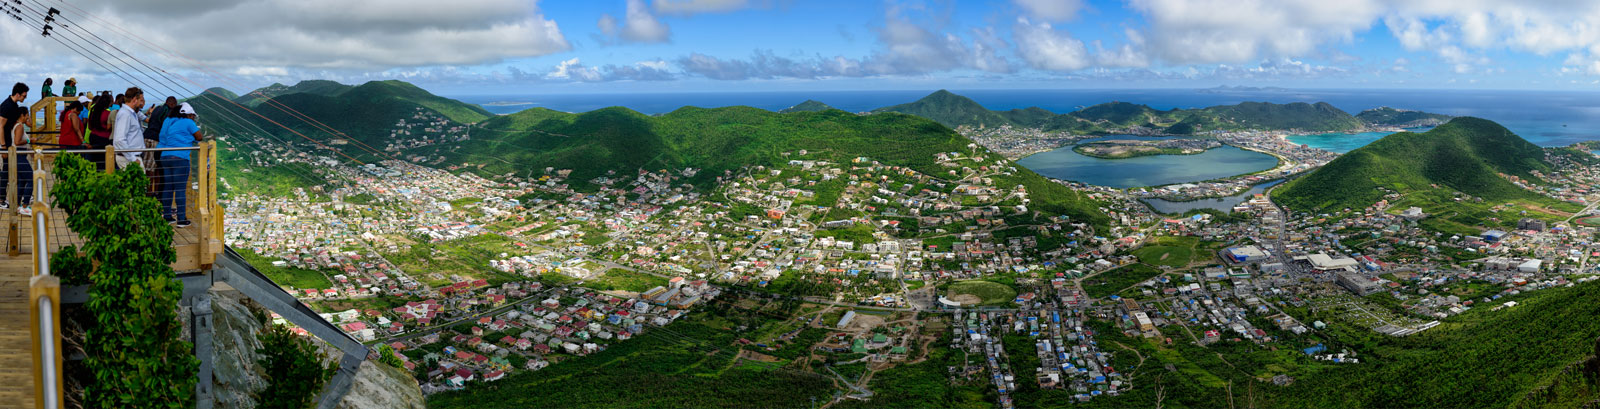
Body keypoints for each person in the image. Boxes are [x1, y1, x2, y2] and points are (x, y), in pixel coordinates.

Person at [157, 103, 202, 226]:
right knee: (180, 189)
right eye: (193, 115)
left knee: (168, 187)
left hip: (165, 157)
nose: (193, 118)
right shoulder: (189, 122)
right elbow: (199, 137)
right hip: (180, 158)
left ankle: (167, 216)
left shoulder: (173, 123)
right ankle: (181, 219)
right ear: (189, 114)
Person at [0, 83, 25, 211]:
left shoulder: (14, 106)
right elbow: (0, 126)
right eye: (24, 96)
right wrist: (3, 147)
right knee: (6, 170)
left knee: (12, 168)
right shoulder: (6, 106)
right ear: (17, 94)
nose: (25, 98)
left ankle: (20, 193)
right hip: (5, 143)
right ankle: (1, 199)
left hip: (10, 143)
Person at [113, 87, 147, 170]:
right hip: (129, 158)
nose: (141, 103)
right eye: (140, 100)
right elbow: (119, 139)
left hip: (131, 157)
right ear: (135, 99)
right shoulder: (125, 114)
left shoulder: (130, 113)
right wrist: (133, 159)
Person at [9, 106, 31, 216]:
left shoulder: (16, 125)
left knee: (22, 181)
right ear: (22, 115)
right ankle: (25, 205)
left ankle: (17, 205)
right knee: (31, 179)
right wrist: (29, 140)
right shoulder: (20, 126)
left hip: (18, 157)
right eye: (27, 114)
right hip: (20, 156)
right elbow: (17, 142)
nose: (28, 117)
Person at [85, 93, 113, 170]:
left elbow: (90, 127)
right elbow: (109, 127)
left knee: (94, 160)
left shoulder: (93, 111)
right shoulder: (108, 113)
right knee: (103, 161)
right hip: (104, 139)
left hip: (93, 136)